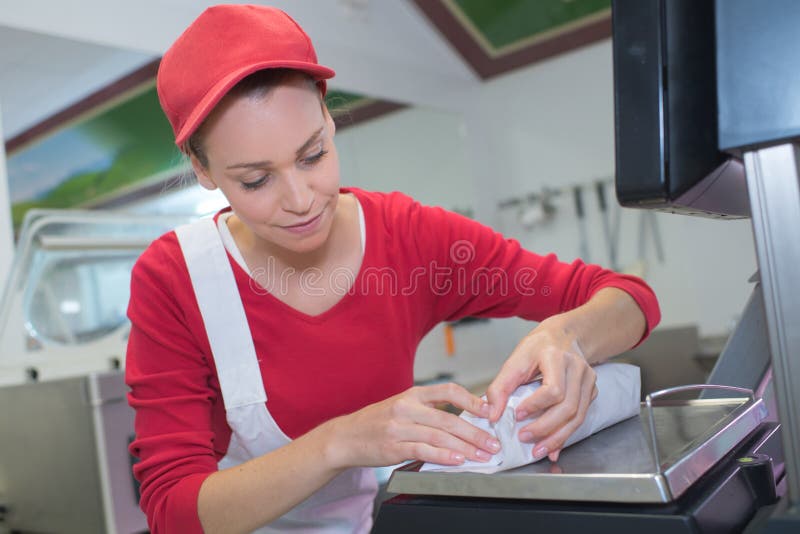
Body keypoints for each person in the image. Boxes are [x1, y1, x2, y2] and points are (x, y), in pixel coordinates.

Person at [125, 4, 660, 533]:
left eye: (313, 155)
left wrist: (568, 336)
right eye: (255, 180)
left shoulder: (410, 242)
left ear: (327, 116)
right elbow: (172, 510)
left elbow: (627, 297)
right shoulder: (176, 280)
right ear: (203, 170)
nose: (300, 199)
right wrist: (341, 441)